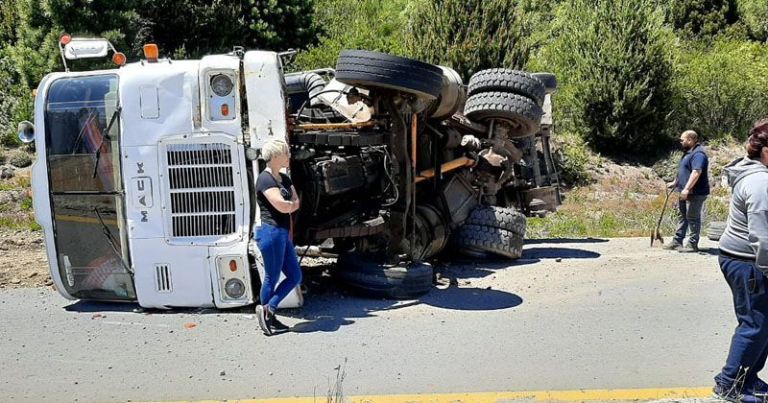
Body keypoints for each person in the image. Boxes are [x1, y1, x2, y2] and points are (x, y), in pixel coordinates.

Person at [713, 119, 768, 402]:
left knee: (762, 322)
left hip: (747, 259)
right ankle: (729, 384)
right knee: (754, 323)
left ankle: (748, 378)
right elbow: (762, 235)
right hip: (748, 261)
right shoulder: (760, 181)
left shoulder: (759, 175)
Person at [254, 139, 302, 336]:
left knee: (295, 275)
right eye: (285, 153)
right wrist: (289, 205)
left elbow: (295, 202)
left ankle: (269, 308)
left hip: (282, 232)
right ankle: (267, 316)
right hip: (270, 232)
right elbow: (283, 205)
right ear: (275, 156)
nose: (288, 156)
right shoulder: (265, 180)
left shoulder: (284, 178)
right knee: (271, 277)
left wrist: (290, 204)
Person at [664, 130, 710, 252]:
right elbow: (683, 169)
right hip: (685, 191)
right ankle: (677, 241)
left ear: (690, 140)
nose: (681, 142)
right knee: (682, 216)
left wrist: (687, 189)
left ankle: (692, 244)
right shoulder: (688, 153)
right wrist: (675, 182)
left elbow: (696, 172)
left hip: (695, 193)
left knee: (692, 217)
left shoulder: (699, 154)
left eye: (682, 140)